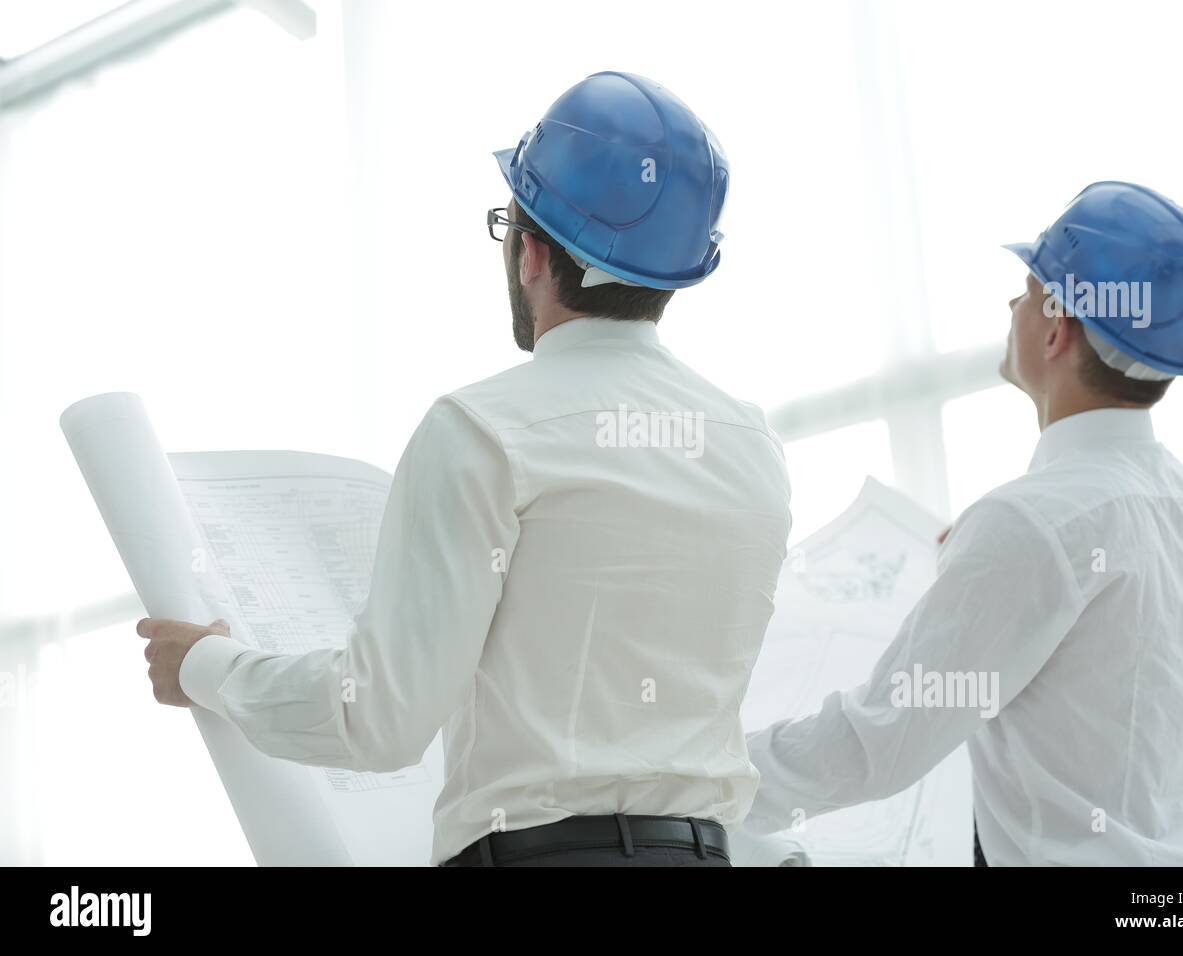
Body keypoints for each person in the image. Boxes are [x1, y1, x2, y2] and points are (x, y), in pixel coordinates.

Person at [137, 71, 791, 867]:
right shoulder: (751, 445)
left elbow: (378, 717)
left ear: (532, 255)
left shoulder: (484, 429)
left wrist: (204, 665)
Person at [743, 182, 1183, 866]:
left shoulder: (1030, 523)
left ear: (1055, 328)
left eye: (1028, 287)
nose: (1012, 304)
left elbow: (877, 742)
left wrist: (691, 782)